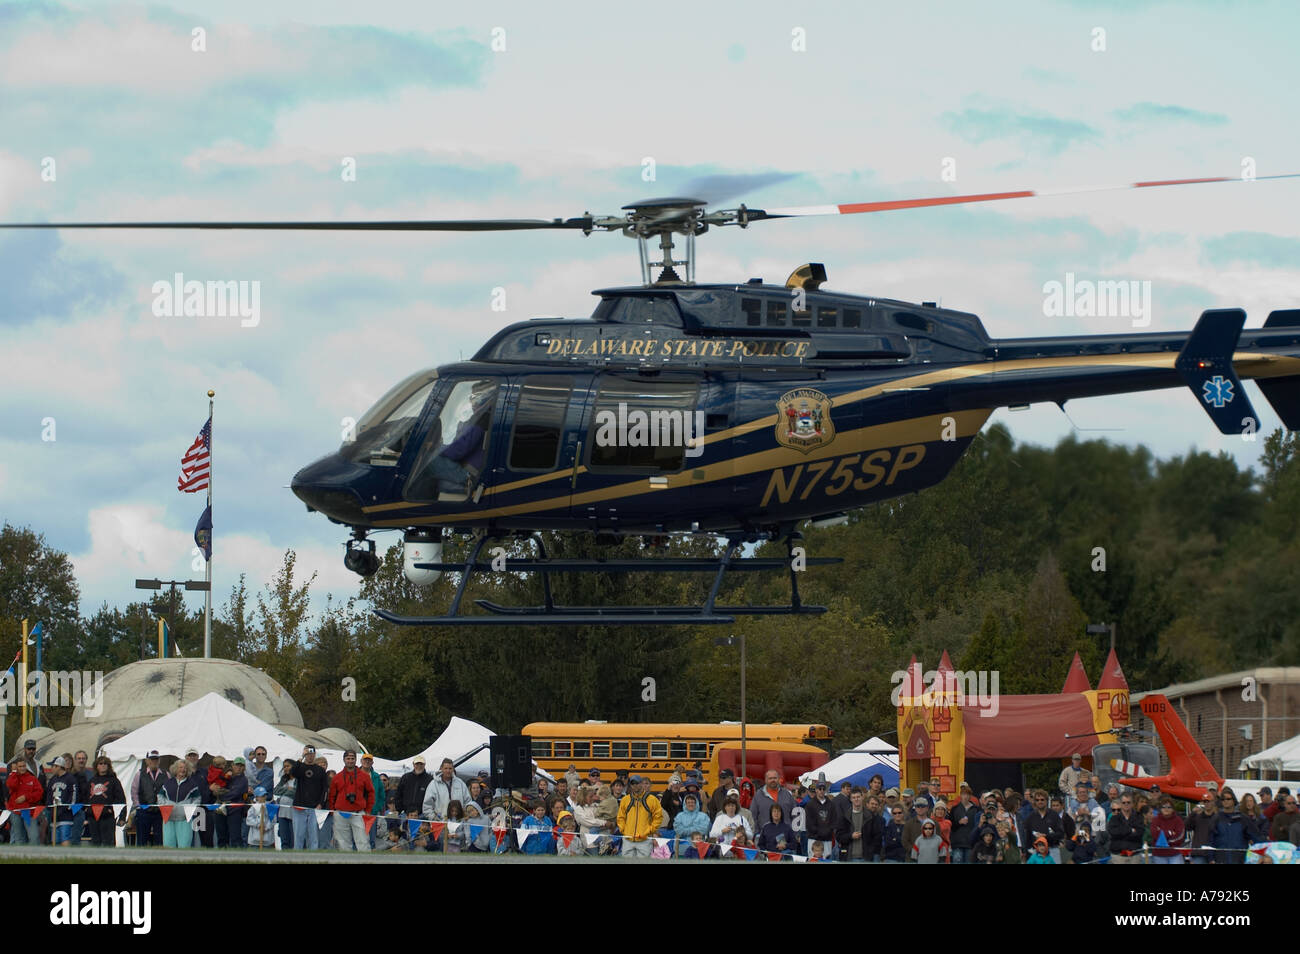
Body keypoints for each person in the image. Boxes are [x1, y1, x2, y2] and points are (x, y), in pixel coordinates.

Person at [328, 750, 375, 851]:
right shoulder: (337, 777)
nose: (350, 761)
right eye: (348, 758)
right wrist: (333, 811)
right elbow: (331, 795)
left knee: (363, 841)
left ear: (356, 760)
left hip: (358, 813)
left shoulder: (364, 776)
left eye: (352, 758)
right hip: (340, 813)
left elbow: (371, 793)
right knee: (343, 843)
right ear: (344, 760)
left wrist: (368, 810)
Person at [290, 746, 329, 850]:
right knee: (298, 836)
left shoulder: (320, 770)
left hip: (315, 808)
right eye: (307, 753)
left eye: (312, 753)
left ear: (315, 754)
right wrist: (301, 756)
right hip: (299, 807)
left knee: (313, 837)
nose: (310, 755)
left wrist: (321, 803)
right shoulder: (300, 767)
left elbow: (325, 789)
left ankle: (313, 858)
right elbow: (292, 772)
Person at [159, 759, 203, 849]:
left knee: (184, 846)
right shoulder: (168, 783)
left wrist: (189, 809)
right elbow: (160, 796)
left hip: (184, 819)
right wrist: (165, 806)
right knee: (168, 845)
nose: (183, 770)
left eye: (185, 768)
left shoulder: (192, 784)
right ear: (175, 769)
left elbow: (197, 799)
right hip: (169, 819)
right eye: (180, 767)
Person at [617, 774, 664, 857]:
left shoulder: (652, 800)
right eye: (633, 783)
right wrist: (624, 830)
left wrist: (649, 831)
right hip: (628, 839)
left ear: (641, 784)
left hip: (644, 840)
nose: (635, 786)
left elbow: (658, 817)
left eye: (637, 783)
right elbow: (620, 817)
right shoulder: (625, 800)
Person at [86, 756, 125, 847]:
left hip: (107, 816)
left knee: (108, 842)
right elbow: (86, 797)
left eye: (105, 764)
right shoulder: (92, 781)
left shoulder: (114, 781)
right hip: (93, 816)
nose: (103, 765)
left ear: (109, 766)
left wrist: (122, 816)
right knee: (95, 842)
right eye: (101, 763)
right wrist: (87, 811)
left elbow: (121, 799)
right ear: (96, 766)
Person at [45, 757, 84, 847]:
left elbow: (74, 796)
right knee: (55, 839)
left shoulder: (70, 779)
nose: (51, 769)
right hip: (54, 814)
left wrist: (67, 808)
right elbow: (49, 794)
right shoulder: (52, 780)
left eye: (53, 766)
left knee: (65, 837)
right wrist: (49, 808)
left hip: (66, 815)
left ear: (58, 766)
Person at [133, 750, 168, 847]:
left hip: (160, 812)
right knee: (142, 840)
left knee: (160, 840)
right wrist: (138, 806)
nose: (154, 761)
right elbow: (134, 792)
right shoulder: (139, 774)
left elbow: (169, 792)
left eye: (156, 759)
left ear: (159, 760)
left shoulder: (166, 774)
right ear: (147, 761)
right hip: (144, 811)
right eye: (152, 759)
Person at [6, 757, 44, 844]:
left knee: (34, 837)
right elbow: (11, 785)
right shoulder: (13, 777)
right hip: (16, 812)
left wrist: (26, 797)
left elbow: (39, 793)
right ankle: (21, 856)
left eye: (24, 766)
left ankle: (34, 855)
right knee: (19, 838)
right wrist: (14, 772)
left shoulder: (32, 778)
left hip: (29, 811)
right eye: (20, 766)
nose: (22, 768)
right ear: (16, 767)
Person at [1021, 789, 1064, 863]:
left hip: (1052, 850)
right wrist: (1026, 853)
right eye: (1037, 800)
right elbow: (1027, 838)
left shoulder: (1054, 815)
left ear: (1047, 801)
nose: (1039, 802)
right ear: (1034, 802)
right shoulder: (1030, 817)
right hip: (1037, 853)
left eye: (1042, 799)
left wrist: (1046, 836)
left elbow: (1061, 833)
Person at [949, 782, 980, 864]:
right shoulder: (954, 809)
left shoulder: (976, 809)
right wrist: (959, 822)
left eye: (967, 794)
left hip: (970, 843)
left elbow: (978, 826)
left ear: (970, 796)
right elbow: (951, 826)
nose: (965, 796)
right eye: (963, 794)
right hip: (957, 843)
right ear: (960, 795)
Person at [804, 779, 836, 858]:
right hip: (814, 839)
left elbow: (833, 821)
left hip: (827, 839)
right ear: (816, 790)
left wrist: (827, 832)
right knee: (813, 860)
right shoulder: (810, 804)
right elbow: (809, 823)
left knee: (827, 860)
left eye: (823, 789)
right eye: (819, 789)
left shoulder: (831, 804)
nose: (821, 791)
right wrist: (821, 833)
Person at [1150, 797, 1186, 864]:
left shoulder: (1178, 820)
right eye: (1163, 807)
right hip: (1159, 855)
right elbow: (1154, 834)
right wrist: (1170, 833)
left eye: (1169, 807)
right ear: (1160, 809)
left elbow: (1180, 836)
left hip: (1175, 854)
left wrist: (1162, 835)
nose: (1166, 809)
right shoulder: (1155, 820)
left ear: (1173, 809)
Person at [361, 754, 386, 847]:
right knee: (357, 837)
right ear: (361, 761)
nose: (367, 762)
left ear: (372, 762)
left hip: (372, 812)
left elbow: (382, 795)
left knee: (371, 838)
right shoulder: (355, 774)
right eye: (365, 760)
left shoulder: (376, 777)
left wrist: (376, 808)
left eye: (369, 760)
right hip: (358, 811)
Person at [273, 760, 296, 849]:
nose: (286, 768)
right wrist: (288, 789)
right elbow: (276, 791)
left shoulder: (298, 779)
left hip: (293, 813)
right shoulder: (284, 779)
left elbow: (296, 792)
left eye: (288, 766)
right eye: (284, 766)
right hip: (282, 814)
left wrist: (285, 790)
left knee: (293, 839)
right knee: (284, 838)